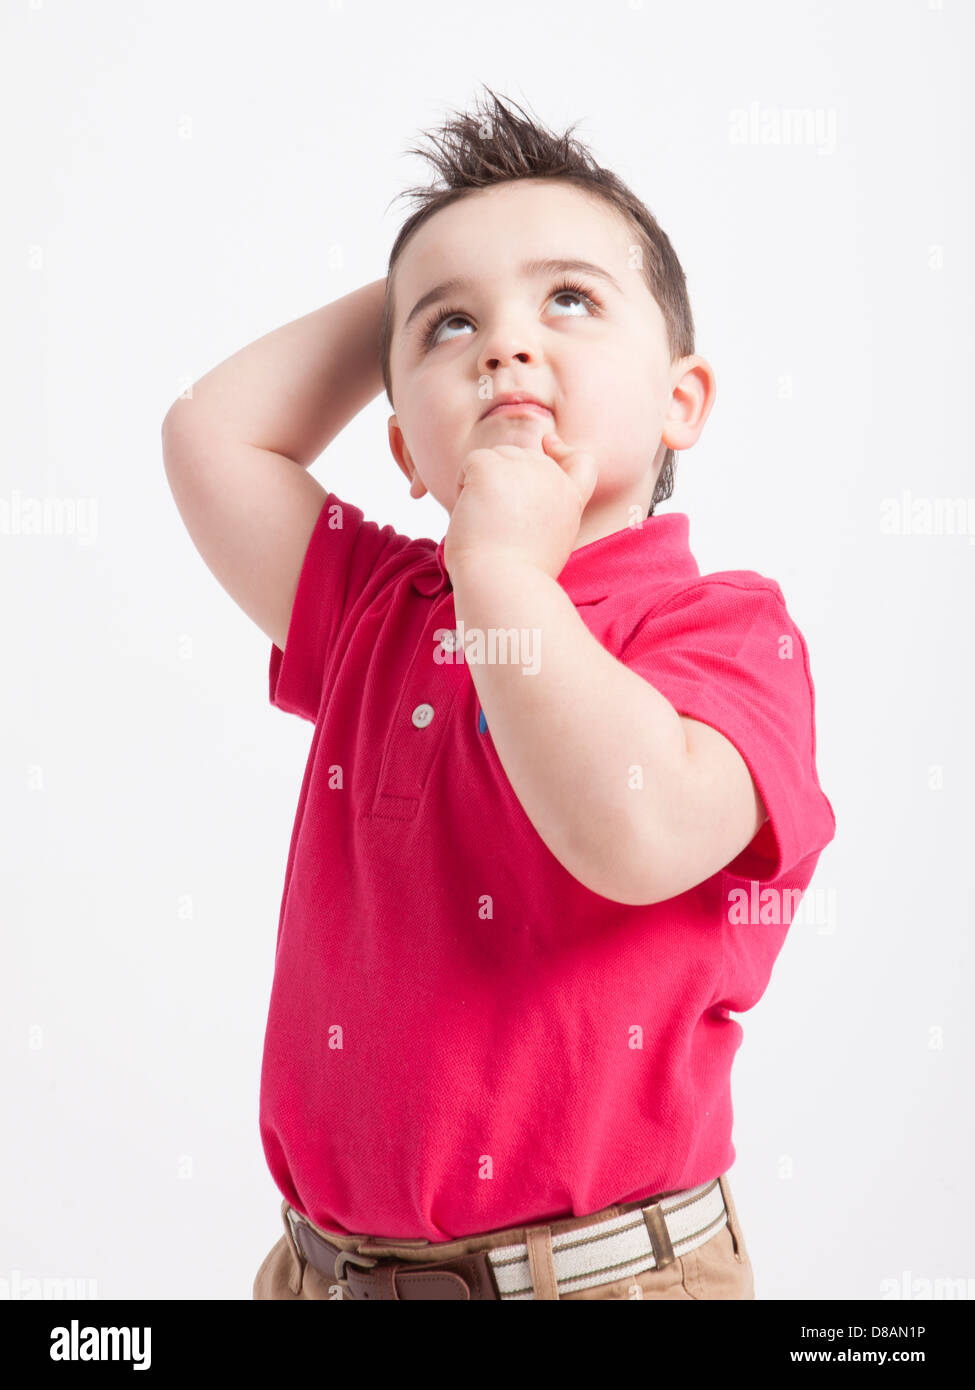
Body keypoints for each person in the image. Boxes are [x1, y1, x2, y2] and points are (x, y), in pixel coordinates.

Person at [162, 86, 836, 1301]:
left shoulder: (723, 632)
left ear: (681, 400)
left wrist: (504, 567)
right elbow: (210, 438)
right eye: (453, 329)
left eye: (568, 299)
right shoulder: (381, 605)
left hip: (601, 1286)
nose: (507, 345)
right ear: (407, 450)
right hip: (325, 1276)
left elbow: (630, 834)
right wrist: (422, 271)